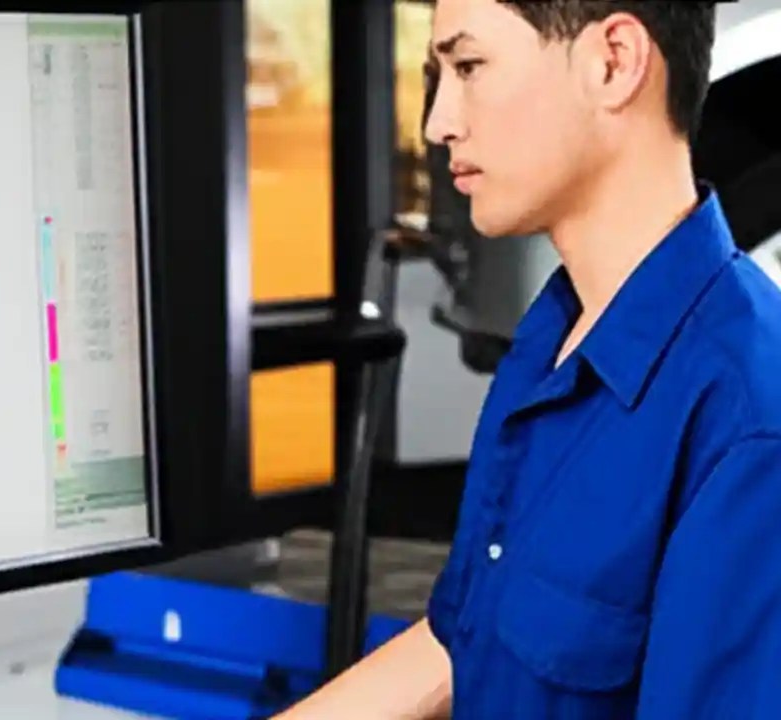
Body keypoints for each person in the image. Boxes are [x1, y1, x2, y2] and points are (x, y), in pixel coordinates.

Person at [276, 0, 781, 718]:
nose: (438, 121)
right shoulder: (552, 345)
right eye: (437, 75)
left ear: (614, 62)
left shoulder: (748, 429)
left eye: (470, 66)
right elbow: (471, 638)